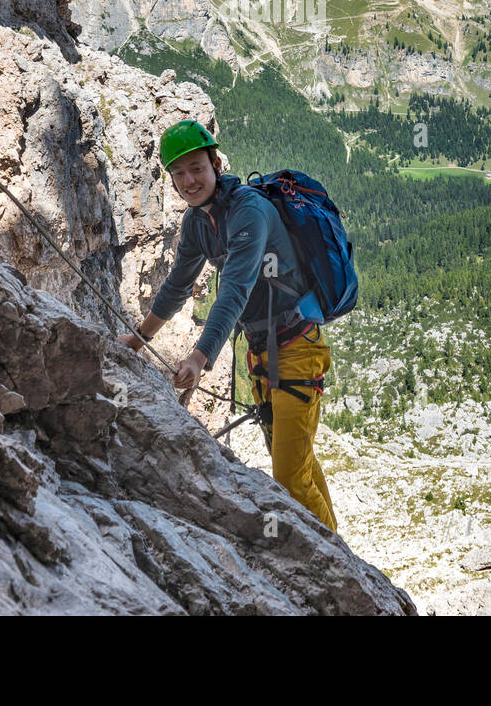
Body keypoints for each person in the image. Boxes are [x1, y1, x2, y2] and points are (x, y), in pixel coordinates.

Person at [118, 119, 338, 532]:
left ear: (215, 163)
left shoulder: (249, 212)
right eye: (179, 173)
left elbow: (234, 292)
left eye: (197, 168)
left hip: (297, 351)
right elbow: (177, 286)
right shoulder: (197, 223)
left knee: (289, 478)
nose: (189, 180)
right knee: (296, 462)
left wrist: (200, 358)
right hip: (263, 355)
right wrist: (138, 338)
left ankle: (342, 571)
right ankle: (338, 547)